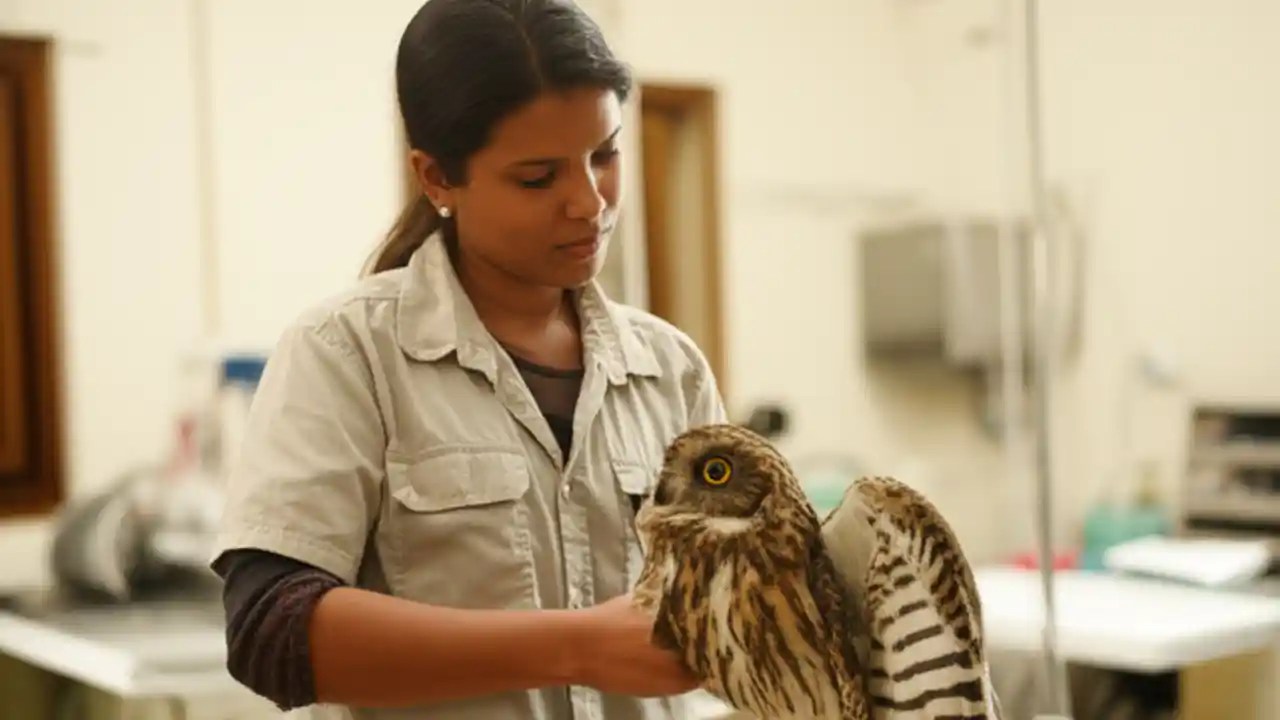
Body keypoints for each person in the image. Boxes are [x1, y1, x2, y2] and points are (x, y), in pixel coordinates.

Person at [208, 0, 728, 718]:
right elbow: (272, 632)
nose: (589, 203)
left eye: (604, 155)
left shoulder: (672, 370)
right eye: (538, 178)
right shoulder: (348, 353)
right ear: (437, 177)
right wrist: (575, 646)